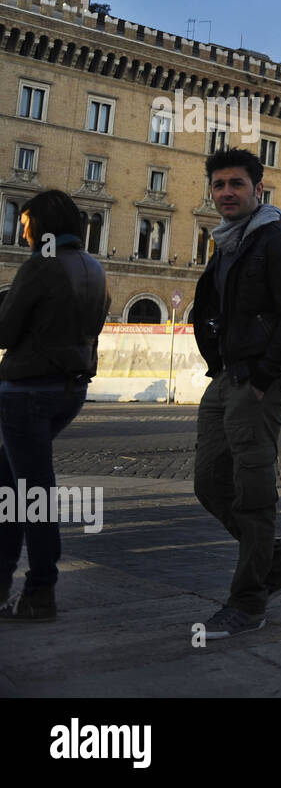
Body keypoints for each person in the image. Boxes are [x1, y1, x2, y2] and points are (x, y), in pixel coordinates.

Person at [192, 148, 281, 639]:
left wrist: (263, 377)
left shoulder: (272, 238)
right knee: (209, 482)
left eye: (236, 184)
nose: (226, 193)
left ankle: (248, 601)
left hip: (258, 380)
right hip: (227, 377)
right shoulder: (230, 242)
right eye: (219, 185)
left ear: (258, 189)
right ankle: (276, 564)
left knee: (253, 494)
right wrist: (220, 366)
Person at [0, 191, 108, 621]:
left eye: (27, 223)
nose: (23, 231)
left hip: (27, 393)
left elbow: (7, 332)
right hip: (70, 390)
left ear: (42, 225)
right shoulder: (94, 267)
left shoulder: (39, 266)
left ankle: (40, 590)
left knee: (32, 496)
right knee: (11, 487)